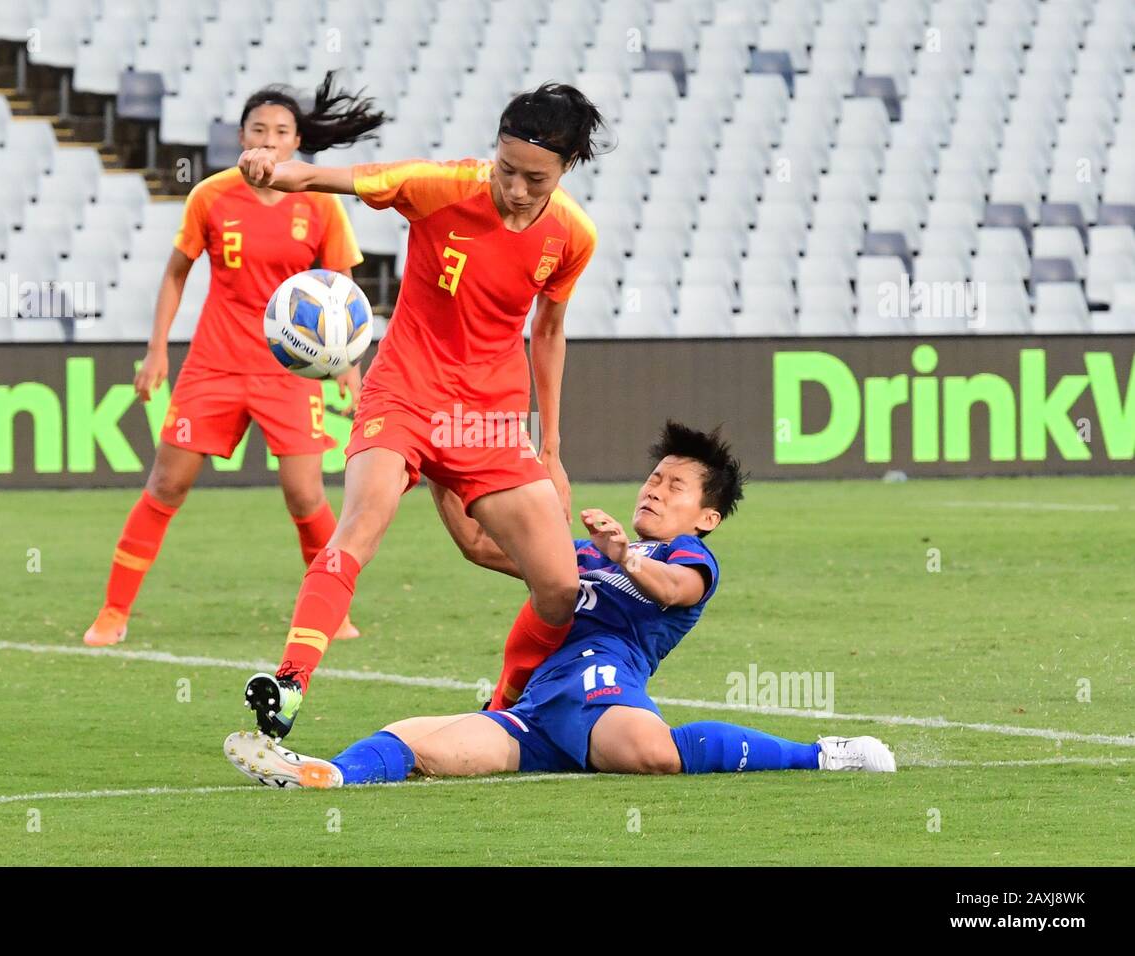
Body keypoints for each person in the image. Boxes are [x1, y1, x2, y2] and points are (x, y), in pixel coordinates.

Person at [223, 421, 898, 787]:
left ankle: (823, 756)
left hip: (603, 683)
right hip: (539, 705)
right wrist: (435, 468)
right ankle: (327, 774)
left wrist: (623, 555)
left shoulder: (688, 559)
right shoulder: (578, 553)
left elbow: (672, 592)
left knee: (653, 755)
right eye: (654, 477)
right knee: (425, 746)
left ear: (709, 517)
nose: (656, 490)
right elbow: (480, 545)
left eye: (677, 487)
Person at [235, 83, 606, 739]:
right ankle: (290, 684)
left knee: (556, 586)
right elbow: (330, 175)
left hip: (489, 419)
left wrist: (549, 450)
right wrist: (277, 170)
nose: (516, 188)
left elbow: (547, 333)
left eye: (535, 178)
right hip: (403, 394)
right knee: (361, 526)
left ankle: (506, 715)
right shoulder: (440, 186)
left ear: (567, 168)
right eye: (507, 169)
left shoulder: (572, 236)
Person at [84, 73, 386, 646]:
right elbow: (176, 274)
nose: (269, 140)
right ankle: (113, 613)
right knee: (166, 485)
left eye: (281, 131)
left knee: (306, 495)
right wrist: (156, 353)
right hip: (215, 364)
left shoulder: (320, 203)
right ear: (242, 138)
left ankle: (332, 611)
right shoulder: (213, 194)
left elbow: (339, 290)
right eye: (258, 129)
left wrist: (348, 362)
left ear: (296, 142)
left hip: (290, 372)